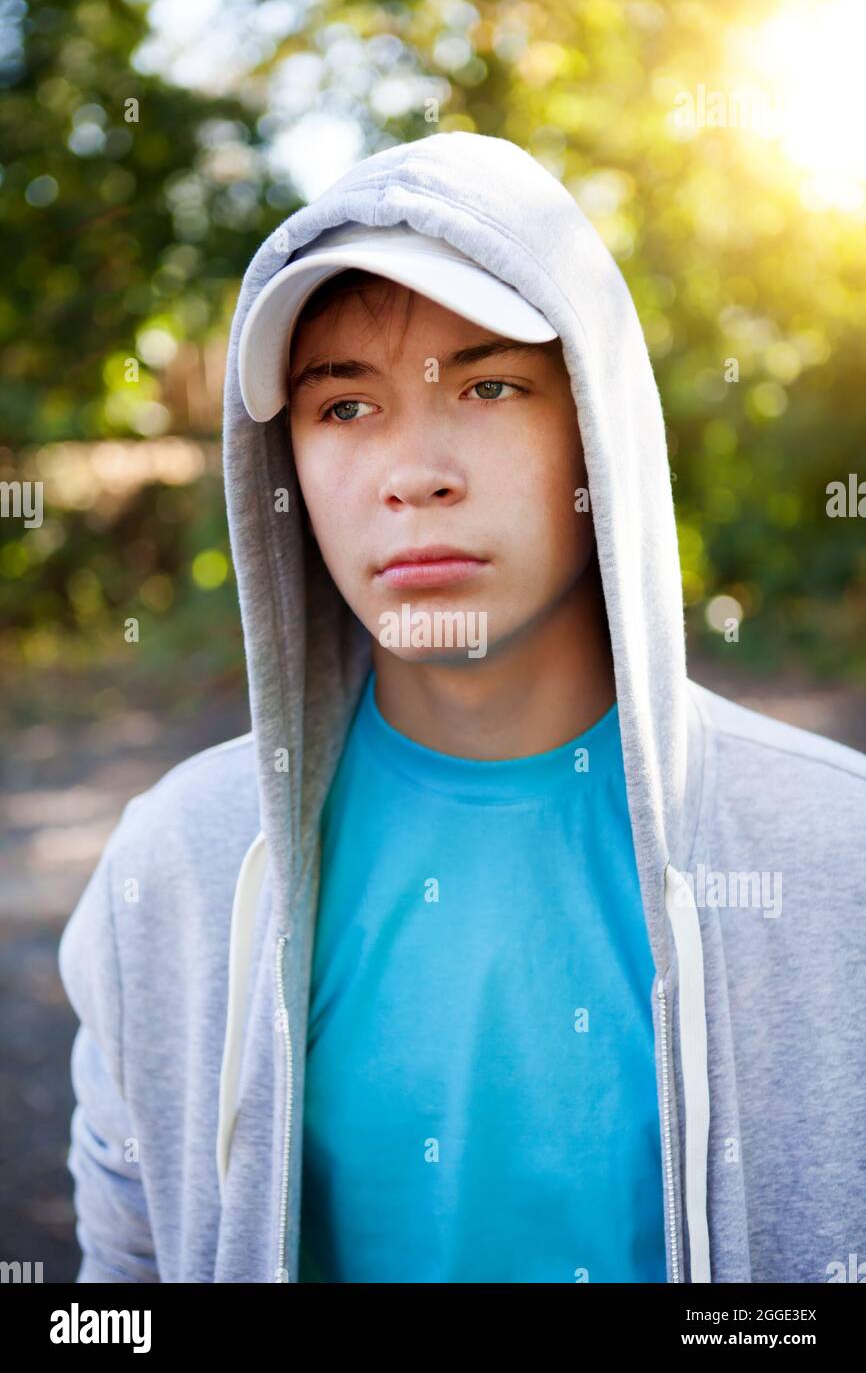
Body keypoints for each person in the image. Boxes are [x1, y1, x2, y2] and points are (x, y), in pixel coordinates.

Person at [58, 130, 866, 1284]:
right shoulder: (176, 868)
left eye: (487, 386)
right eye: (343, 407)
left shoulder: (836, 857)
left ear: (595, 425)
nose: (413, 470)